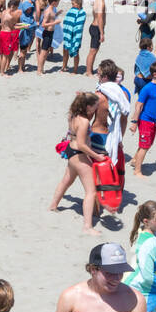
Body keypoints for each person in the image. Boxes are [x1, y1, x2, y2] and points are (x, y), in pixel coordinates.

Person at [49, 92, 108, 234]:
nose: (96, 108)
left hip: (71, 150)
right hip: (79, 154)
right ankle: (87, 226)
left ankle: (53, 206)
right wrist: (97, 157)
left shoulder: (73, 114)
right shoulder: (84, 122)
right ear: (88, 107)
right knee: (91, 192)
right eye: (95, 106)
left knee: (66, 181)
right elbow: (82, 145)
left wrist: (81, 96)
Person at [129, 63, 156, 177]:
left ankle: (134, 160)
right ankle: (137, 171)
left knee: (147, 144)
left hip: (153, 121)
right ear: (155, 74)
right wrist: (134, 122)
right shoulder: (147, 88)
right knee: (145, 146)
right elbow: (139, 106)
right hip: (145, 120)